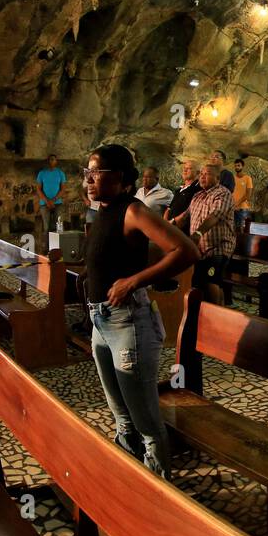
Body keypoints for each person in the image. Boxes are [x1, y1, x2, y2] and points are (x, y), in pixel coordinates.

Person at [83, 143, 199, 479]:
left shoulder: (133, 211)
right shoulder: (102, 210)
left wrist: (133, 281)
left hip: (128, 323)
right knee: (120, 414)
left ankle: (160, 484)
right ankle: (131, 478)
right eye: (87, 173)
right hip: (100, 321)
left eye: (96, 172)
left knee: (145, 418)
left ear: (119, 177)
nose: (89, 179)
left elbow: (185, 250)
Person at [186, 163, 236, 304]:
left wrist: (198, 234)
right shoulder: (197, 196)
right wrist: (168, 225)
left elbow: (215, 216)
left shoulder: (223, 193)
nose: (202, 177)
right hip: (199, 249)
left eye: (206, 174)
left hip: (218, 248)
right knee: (197, 282)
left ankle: (217, 316)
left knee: (211, 280)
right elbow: (184, 217)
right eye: (201, 174)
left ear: (217, 178)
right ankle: (202, 315)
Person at [35, 154, 67, 233]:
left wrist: (54, 200)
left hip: (57, 203)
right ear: (47, 161)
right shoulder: (41, 173)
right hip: (44, 203)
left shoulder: (60, 173)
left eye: (53, 159)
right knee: (46, 227)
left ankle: (60, 245)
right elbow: (38, 189)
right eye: (50, 159)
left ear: (56, 161)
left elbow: (63, 189)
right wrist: (47, 201)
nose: (52, 161)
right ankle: (46, 244)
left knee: (59, 227)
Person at [167, 159, 201, 231]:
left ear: (198, 172)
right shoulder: (178, 190)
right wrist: (165, 223)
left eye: (188, 168)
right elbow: (169, 209)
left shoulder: (198, 189)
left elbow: (189, 212)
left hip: (182, 231)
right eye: (184, 168)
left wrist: (173, 222)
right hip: (170, 228)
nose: (185, 170)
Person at [232, 157, 254, 231]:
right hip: (232, 208)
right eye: (235, 166)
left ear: (242, 166)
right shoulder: (233, 178)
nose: (237, 167)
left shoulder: (248, 178)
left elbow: (248, 195)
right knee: (232, 229)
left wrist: (237, 203)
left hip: (243, 208)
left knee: (242, 229)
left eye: (238, 165)